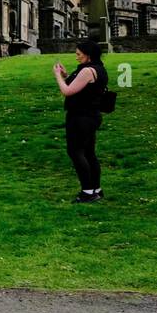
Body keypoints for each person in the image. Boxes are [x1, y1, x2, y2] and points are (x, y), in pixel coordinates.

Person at [54, 39, 108, 203]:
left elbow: (67, 91)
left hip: (81, 117)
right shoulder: (98, 69)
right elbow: (80, 86)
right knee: (89, 153)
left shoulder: (87, 71)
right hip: (91, 116)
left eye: (78, 54)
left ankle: (87, 192)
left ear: (88, 55)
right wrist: (65, 75)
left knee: (76, 152)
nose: (76, 57)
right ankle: (96, 190)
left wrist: (57, 77)